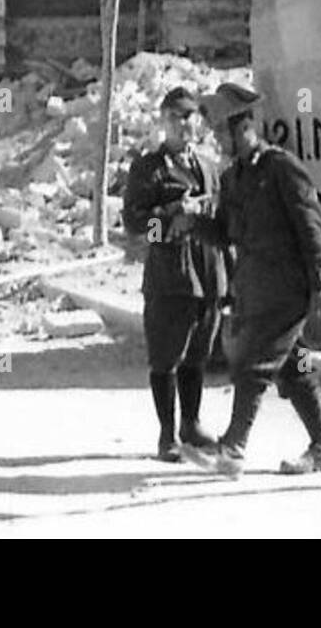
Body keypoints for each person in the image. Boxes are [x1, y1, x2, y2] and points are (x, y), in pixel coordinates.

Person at [191, 82, 321, 477]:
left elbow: (312, 227)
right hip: (256, 288)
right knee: (296, 366)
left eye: (221, 132)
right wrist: (192, 224)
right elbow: (226, 233)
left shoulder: (280, 167)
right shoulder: (232, 179)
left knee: (254, 364)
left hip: (288, 290)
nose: (218, 140)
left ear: (243, 128)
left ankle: (233, 448)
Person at [122, 87, 228, 462]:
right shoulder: (149, 169)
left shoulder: (209, 167)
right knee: (166, 356)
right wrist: (169, 217)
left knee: (198, 354)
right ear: (163, 122)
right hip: (171, 275)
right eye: (176, 118)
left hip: (208, 272)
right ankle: (166, 435)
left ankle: (192, 423)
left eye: (190, 117)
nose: (184, 125)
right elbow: (134, 225)